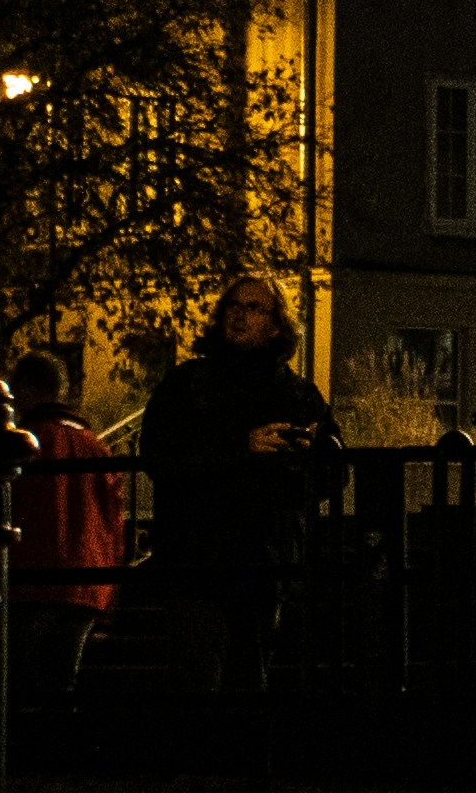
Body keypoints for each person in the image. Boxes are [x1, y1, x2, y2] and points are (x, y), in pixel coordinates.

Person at [135, 280, 340, 694]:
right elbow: (159, 453)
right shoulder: (187, 383)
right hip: (199, 561)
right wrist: (241, 446)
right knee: (198, 683)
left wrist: (309, 454)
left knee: (248, 685)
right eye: (234, 305)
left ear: (278, 325)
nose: (240, 315)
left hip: (263, 561)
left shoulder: (298, 393)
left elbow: (333, 475)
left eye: (254, 308)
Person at [6, 351, 127, 704]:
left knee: (20, 682)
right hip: (85, 584)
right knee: (61, 681)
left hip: (33, 580)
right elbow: (113, 525)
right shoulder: (96, 448)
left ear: (27, 389)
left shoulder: (27, 443)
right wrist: (108, 598)